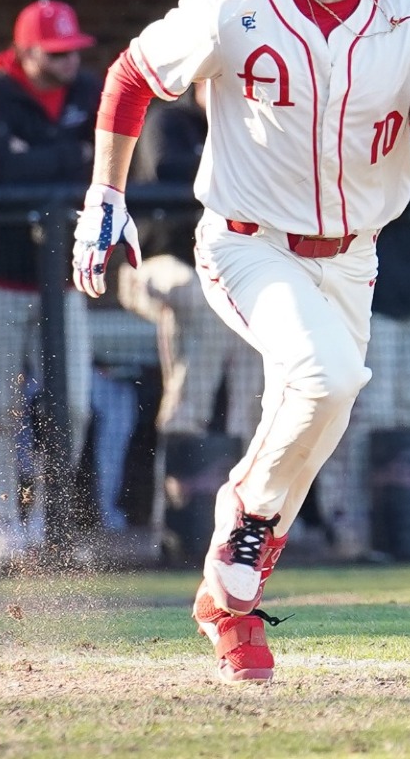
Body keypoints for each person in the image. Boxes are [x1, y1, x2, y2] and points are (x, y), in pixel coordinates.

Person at [72, 0, 410, 684]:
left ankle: (229, 605)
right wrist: (105, 194)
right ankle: (243, 522)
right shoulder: (233, 11)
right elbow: (130, 76)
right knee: (325, 380)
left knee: (318, 416)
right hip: (248, 243)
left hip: (354, 258)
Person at [0, 0, 100, 570]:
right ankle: (4, 528)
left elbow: (100, 163)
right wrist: (67, 154)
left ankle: (47, 522)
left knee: (76, 407)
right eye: (55, 53)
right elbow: (2, 168)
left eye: (73, 51)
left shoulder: (88, 91)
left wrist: (42, 157)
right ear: (24, 51)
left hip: (63, 280)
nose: (69, 62)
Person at [117, 90, 263, 554]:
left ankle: (248, 519)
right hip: (158, 264)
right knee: (200, 299)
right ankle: (171, 524)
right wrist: (240, 169)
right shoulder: (169, 120)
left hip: (228, 276)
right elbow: (167, 168)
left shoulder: (252, 123)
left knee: (254, 398)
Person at [311, 158, 410, 561]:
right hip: (366, 291)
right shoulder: (353, 128)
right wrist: (397, 165)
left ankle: (397, 527)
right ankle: (347, 520)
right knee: (367, 413)